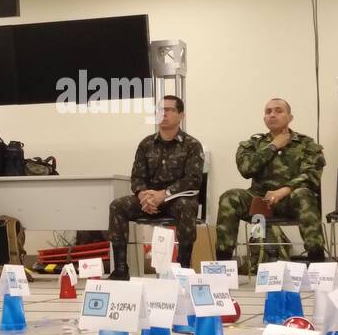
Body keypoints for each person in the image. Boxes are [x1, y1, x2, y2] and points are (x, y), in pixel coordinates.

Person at [214, 98, 326, 267]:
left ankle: (317, 264)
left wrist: (282, 191)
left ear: (290, 117)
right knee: (230, 197)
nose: (272, 114)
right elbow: (246, 169)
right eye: (268, 111)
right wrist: (273, 146)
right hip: (260, 200)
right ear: (264, 119)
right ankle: (223, 265)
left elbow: (311, 175)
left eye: (279, 110)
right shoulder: (252, 144)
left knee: (304, 194)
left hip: (291, 200)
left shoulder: (307, 144)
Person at [107, 96, 204, 279]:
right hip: (149, 201)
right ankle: (120, 269)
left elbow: (193, 180)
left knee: (187, 206)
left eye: (170, 110)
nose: (164, 113)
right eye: (161, 110)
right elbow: (137, 177)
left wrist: (164, 195)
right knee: (117, 205)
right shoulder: (146, 144)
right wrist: (143, 195)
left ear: (181, 115)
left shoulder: (192, 145)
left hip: (176, 200)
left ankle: (182, 269)